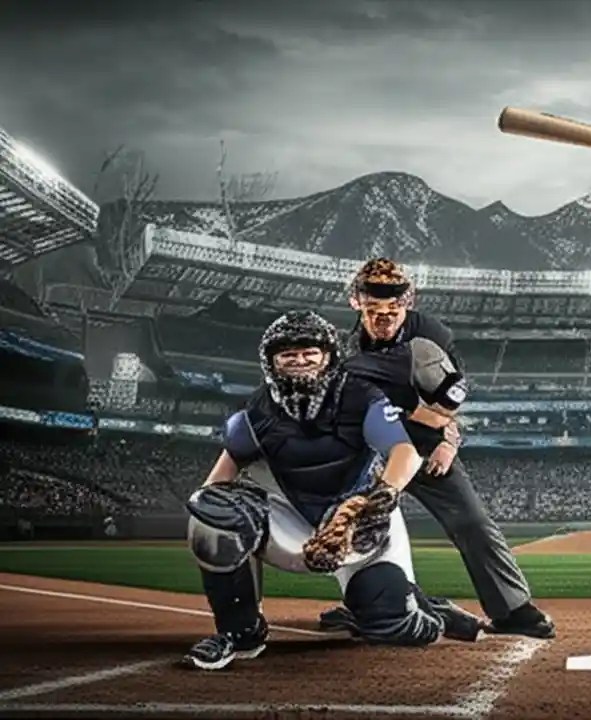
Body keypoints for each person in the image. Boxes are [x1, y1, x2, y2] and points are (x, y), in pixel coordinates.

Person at [183, 311, 483, 671]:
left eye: (309, 352)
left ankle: (428, 609)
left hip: (359, 521)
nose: (299, 361)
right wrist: (215, 526)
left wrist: (382, 496)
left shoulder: (361, 397)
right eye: (288, 354)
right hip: (290, 522)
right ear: (271, 362)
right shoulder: (257, 412)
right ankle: (238, 633)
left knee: (392, 626)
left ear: (329, 357)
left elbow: (403, 451)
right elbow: (217, 483)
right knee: (212, 515)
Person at [316, 258, 555, 639]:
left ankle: (513, 610)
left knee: (472, 522)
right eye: (374, 307)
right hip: (368, 449)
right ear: (356, 302)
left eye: (393, 307)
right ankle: (365, 605)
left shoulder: (430, 335)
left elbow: (449, 402)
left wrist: (448, 442)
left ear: (408, 301)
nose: (384, 317)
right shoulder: (341, 348)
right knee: (350, 525)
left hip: (424, 444)